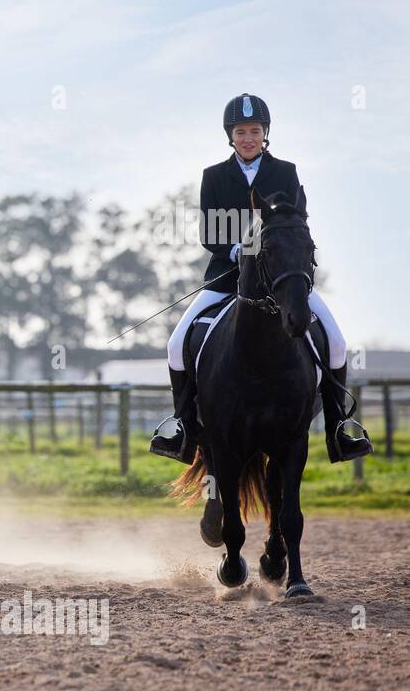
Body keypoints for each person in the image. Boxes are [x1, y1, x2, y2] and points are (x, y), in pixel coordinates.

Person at [150, 92, 371, 464]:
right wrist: (237, 251)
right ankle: (184, 426)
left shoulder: (285, 172)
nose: (248, 138)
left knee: (335, 340)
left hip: (283, 279)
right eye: (241, 131)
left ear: (265, 133)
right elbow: (209, 232)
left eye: (255, 130)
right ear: (231, 136)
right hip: (226, 276)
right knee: (176, 345)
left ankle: (339, 427)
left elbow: (295, 220)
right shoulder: (214, 176)